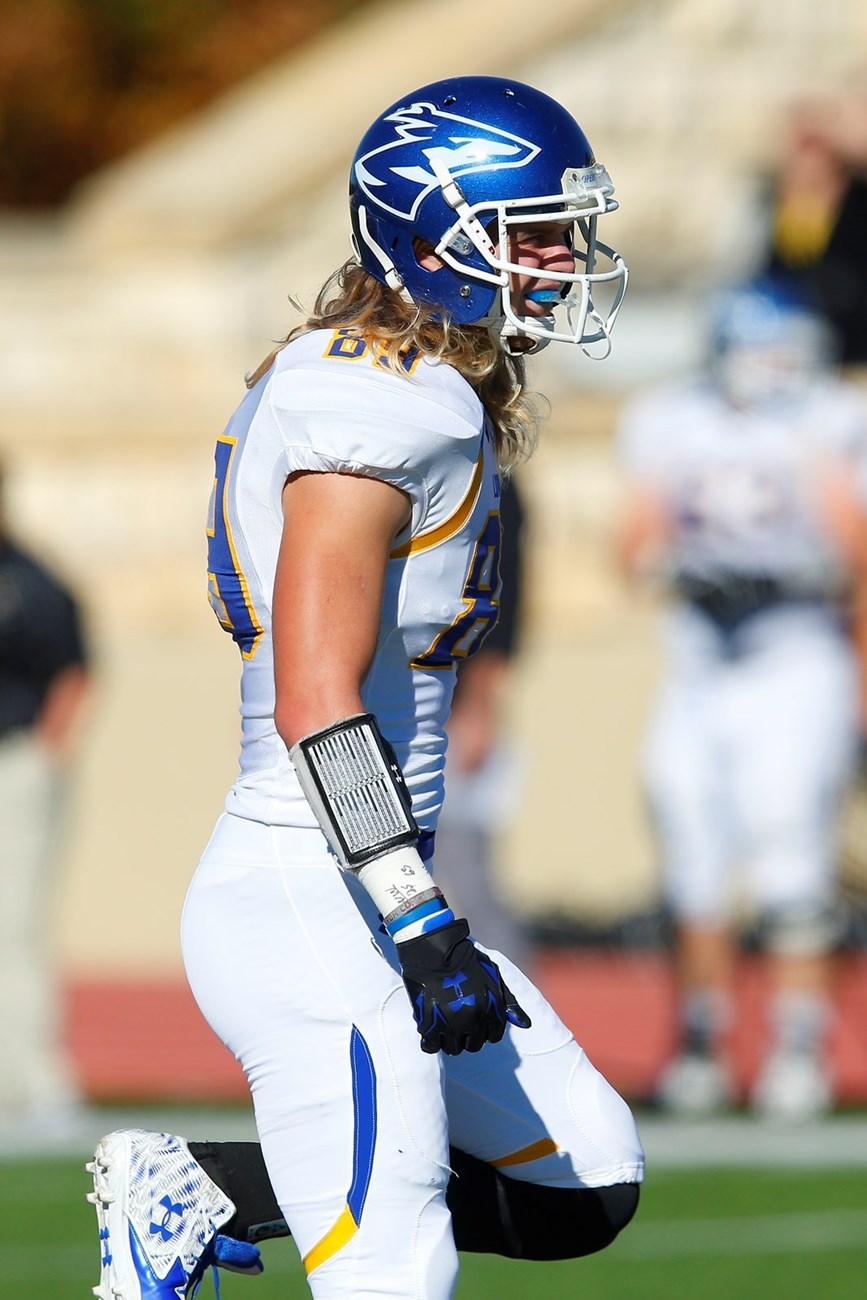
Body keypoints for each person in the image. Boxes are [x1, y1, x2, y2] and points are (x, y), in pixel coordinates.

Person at [87, 75, 643, 1300]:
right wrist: (413, 914)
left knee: (586, 1180)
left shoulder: (400, 378)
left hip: (364, 875)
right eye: (534, 229)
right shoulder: (378, 403)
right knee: (394, 1271)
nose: (564, 257)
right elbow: (319, 698)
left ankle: (204, 1188)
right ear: (442, 225)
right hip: (311, 886)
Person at [616, 277, 867, 1120]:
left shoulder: (830, 421)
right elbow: (633, 548)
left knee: (791, 853)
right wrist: (678, 565)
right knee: (693, 857)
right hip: (699, 662)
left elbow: (854, 554)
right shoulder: (668, 419)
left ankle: (797, 1045)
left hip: (795, 658)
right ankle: (702, 1042)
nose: (778, 372)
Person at [0, 462, 90, 1131]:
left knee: (14, 925)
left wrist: (41, 760)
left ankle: (28, 1079)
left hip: (14, 762)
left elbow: (72, 671)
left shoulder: (29, 579)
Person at [433, 476, 535, 973]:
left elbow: (505, 595)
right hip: (392, 697)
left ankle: (519, 1014)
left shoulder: (492, 476)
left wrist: (480, 704)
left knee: (465, 876)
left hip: (452, 702)